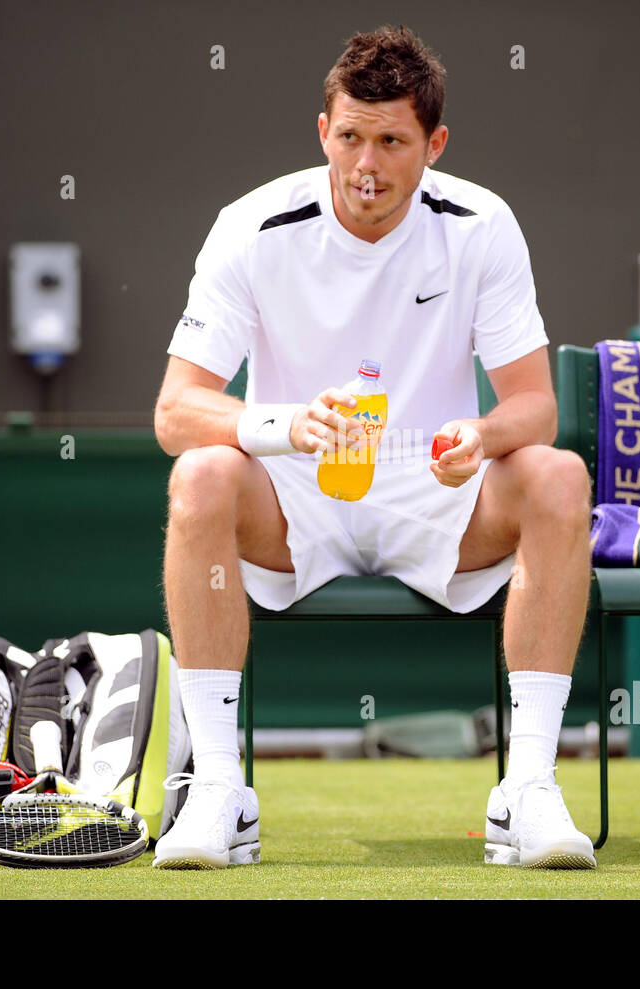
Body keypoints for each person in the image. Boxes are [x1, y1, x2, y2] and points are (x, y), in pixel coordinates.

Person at [152, 24, 595, 870]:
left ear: (434, 144)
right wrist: (281, 425)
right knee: (202, 473)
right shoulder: (250, 227)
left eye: (392, 141)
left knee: (558, 476)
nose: (366, 164)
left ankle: (527, 789)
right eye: (349, 135)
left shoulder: (483, 225)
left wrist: (482, 434)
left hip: (440, 495)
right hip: (292, 499)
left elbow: (535, 409)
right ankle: (219, 789)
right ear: (323, 131)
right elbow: (176, 412)